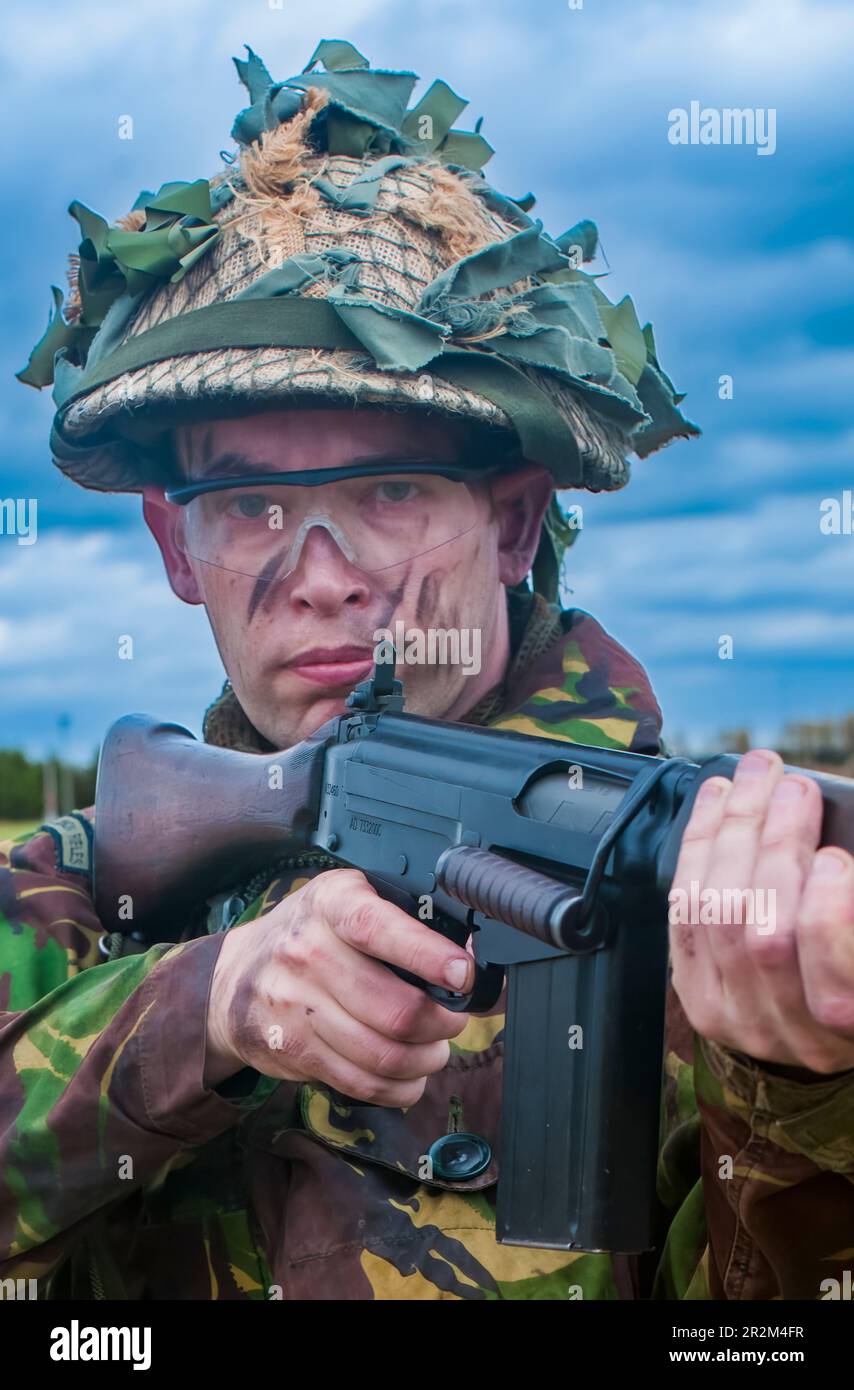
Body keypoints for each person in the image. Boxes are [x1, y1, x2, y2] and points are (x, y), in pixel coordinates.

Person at [3, 38, 853, 1302]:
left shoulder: (721, 895)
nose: (322, 573)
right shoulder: (77, 894)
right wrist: (204, 1007)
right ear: (175, 545)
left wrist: (804, 1107)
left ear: (514, 524)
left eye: (390, 491)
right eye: (249, 505)